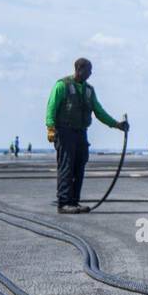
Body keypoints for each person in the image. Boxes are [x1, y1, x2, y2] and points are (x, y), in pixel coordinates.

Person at [44, 58, 128, 213]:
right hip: (65, 132)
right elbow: (51, 107)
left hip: (81, 133)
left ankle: (74, 201)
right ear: (79, 69)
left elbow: (99, 112)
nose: (91, 73)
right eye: (89, 70)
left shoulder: (89, 90)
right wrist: (50, 127)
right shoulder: (62, 85)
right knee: (66, 167)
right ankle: (63, 203)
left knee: (79, 167)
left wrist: (117, 125)